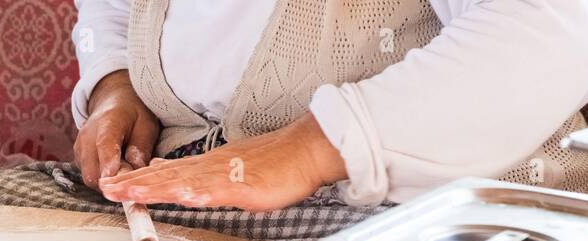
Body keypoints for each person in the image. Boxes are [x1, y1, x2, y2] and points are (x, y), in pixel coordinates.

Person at [73, 0, 588, 212]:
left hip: (412, 215)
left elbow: (553, 30)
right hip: (183, 182)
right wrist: (115, 82)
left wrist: (313, 149)